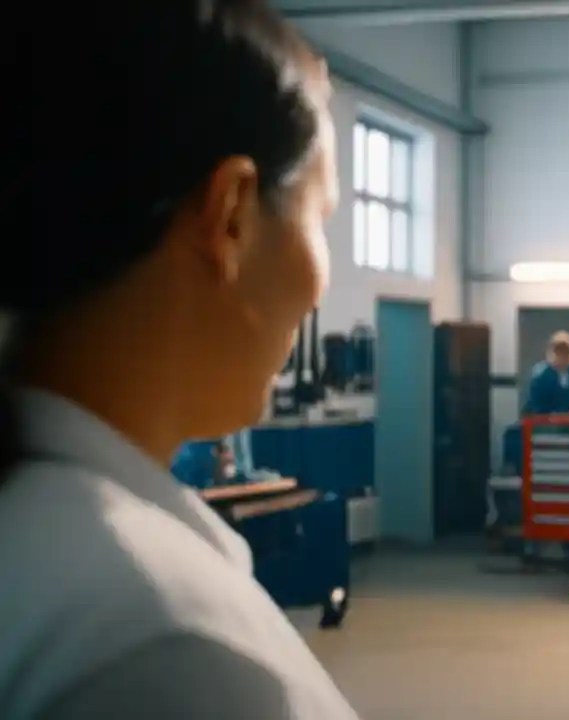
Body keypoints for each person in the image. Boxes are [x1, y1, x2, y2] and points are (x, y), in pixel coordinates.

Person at [0, 2, 360, 717]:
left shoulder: (40, 536)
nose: (321, 278)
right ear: (230, 214)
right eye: (319, 218)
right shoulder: (169, 644)